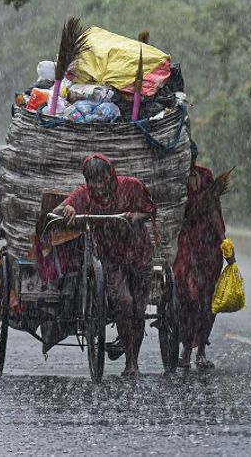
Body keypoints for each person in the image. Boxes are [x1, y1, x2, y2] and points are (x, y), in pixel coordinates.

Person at [53, 154, 156, 377]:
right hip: (110, 257)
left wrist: (134, 216)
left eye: (103, 180)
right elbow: (60, 209)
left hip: (139, 252)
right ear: (87, 181)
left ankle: (133, 361)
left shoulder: (131, 187)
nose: (99, 186)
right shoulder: (83, 194)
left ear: (111, 175)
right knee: (124, 302)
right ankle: (129, 359)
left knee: (139, 308)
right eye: (94, 181)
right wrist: (68, 210)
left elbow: (149, 210)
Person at [173, 141, 234, 369]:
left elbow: (214, 211)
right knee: (188, 295)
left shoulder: (206, 176)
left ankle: (200, 351)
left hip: (208, 244)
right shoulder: (174, 180)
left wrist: (224, 243)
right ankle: (186, 347)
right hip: (186, 241)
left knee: (207, 299)